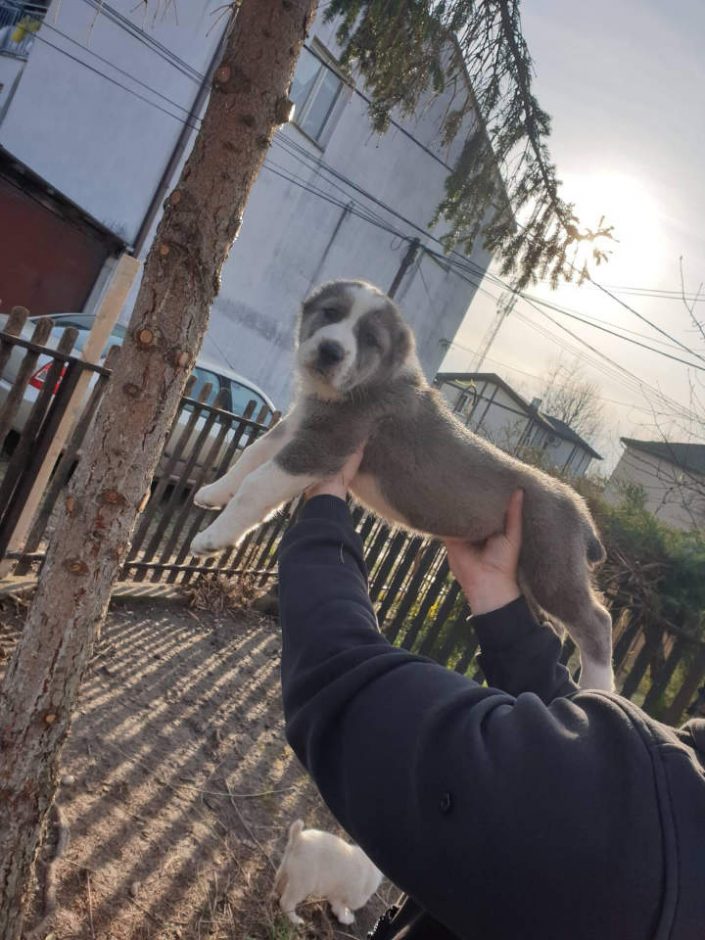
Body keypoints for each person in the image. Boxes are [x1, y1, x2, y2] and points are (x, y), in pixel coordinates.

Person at [277, 448, 705, 940]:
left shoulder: (646, 851)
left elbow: (339, 684)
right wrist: (500, 606)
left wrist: (324, 507)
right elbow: (580, 760)